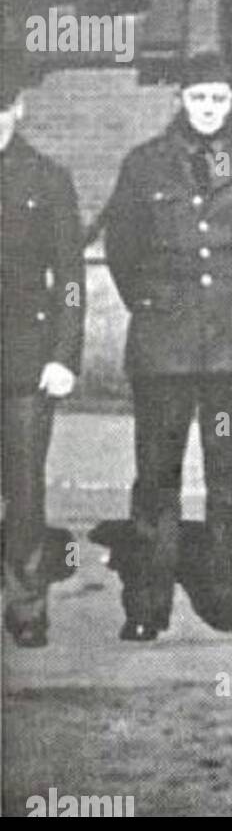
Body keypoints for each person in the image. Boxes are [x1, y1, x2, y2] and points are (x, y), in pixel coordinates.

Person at [105, 52, 232, 641]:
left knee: (230, 476)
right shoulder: (144, 166)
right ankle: (148, 603)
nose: (208, 109)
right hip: (164, 350)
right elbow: (122, 251)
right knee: (157, 476)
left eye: (219, 99)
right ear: (180, 99)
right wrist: (158, 306)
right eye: (197, 97)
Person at [1, 54, 84, 647]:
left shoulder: (47, 178)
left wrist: (65, 354)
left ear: (17, 110)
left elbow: (73, 277)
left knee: (25, 487)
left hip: (25, 358)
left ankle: (27, 602)